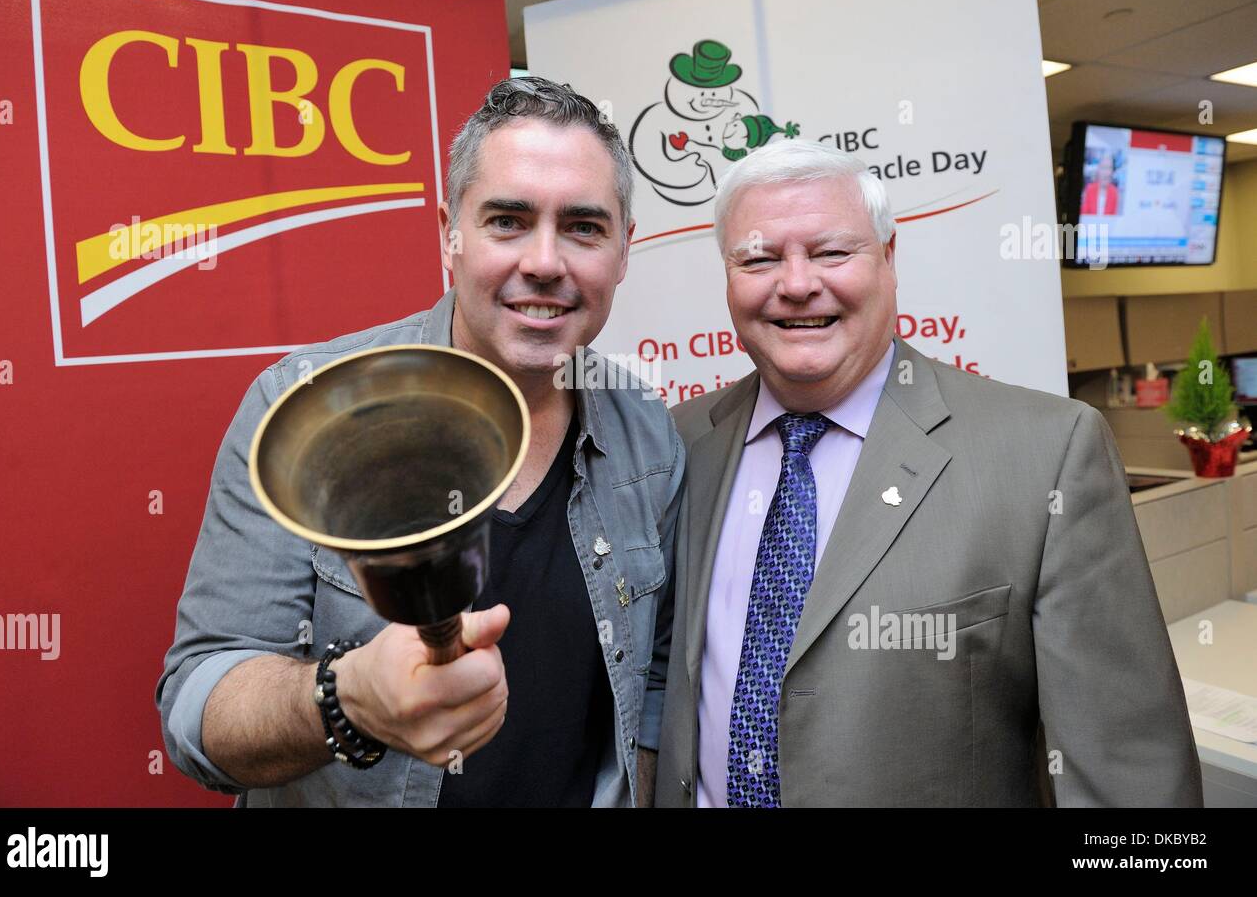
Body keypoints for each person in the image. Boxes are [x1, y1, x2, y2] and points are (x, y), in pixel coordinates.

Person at [157, 77, 683, 807]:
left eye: (584, 227)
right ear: (449, 233)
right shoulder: (307, 408)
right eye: (507, 220)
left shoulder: (648, 430)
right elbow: (196, 710)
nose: (544, 261)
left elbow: (652, 681)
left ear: (624, 250)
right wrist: (348, 700)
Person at [651, 140, 1202, 807]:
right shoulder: (678, 446)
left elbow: (1128, 769)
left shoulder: (1046, 455)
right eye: (759, 258)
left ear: (887, 258)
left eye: (831, 252)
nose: (795, 284)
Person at [1081, 151, 1120, 215]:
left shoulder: (1114, 192)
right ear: (1098, 170)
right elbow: (1084, 214)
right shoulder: (1089, 189)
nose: (1106, 172)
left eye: (1109, 168)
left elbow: (1113, 219)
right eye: (1103, 167)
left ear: (1112, 171)